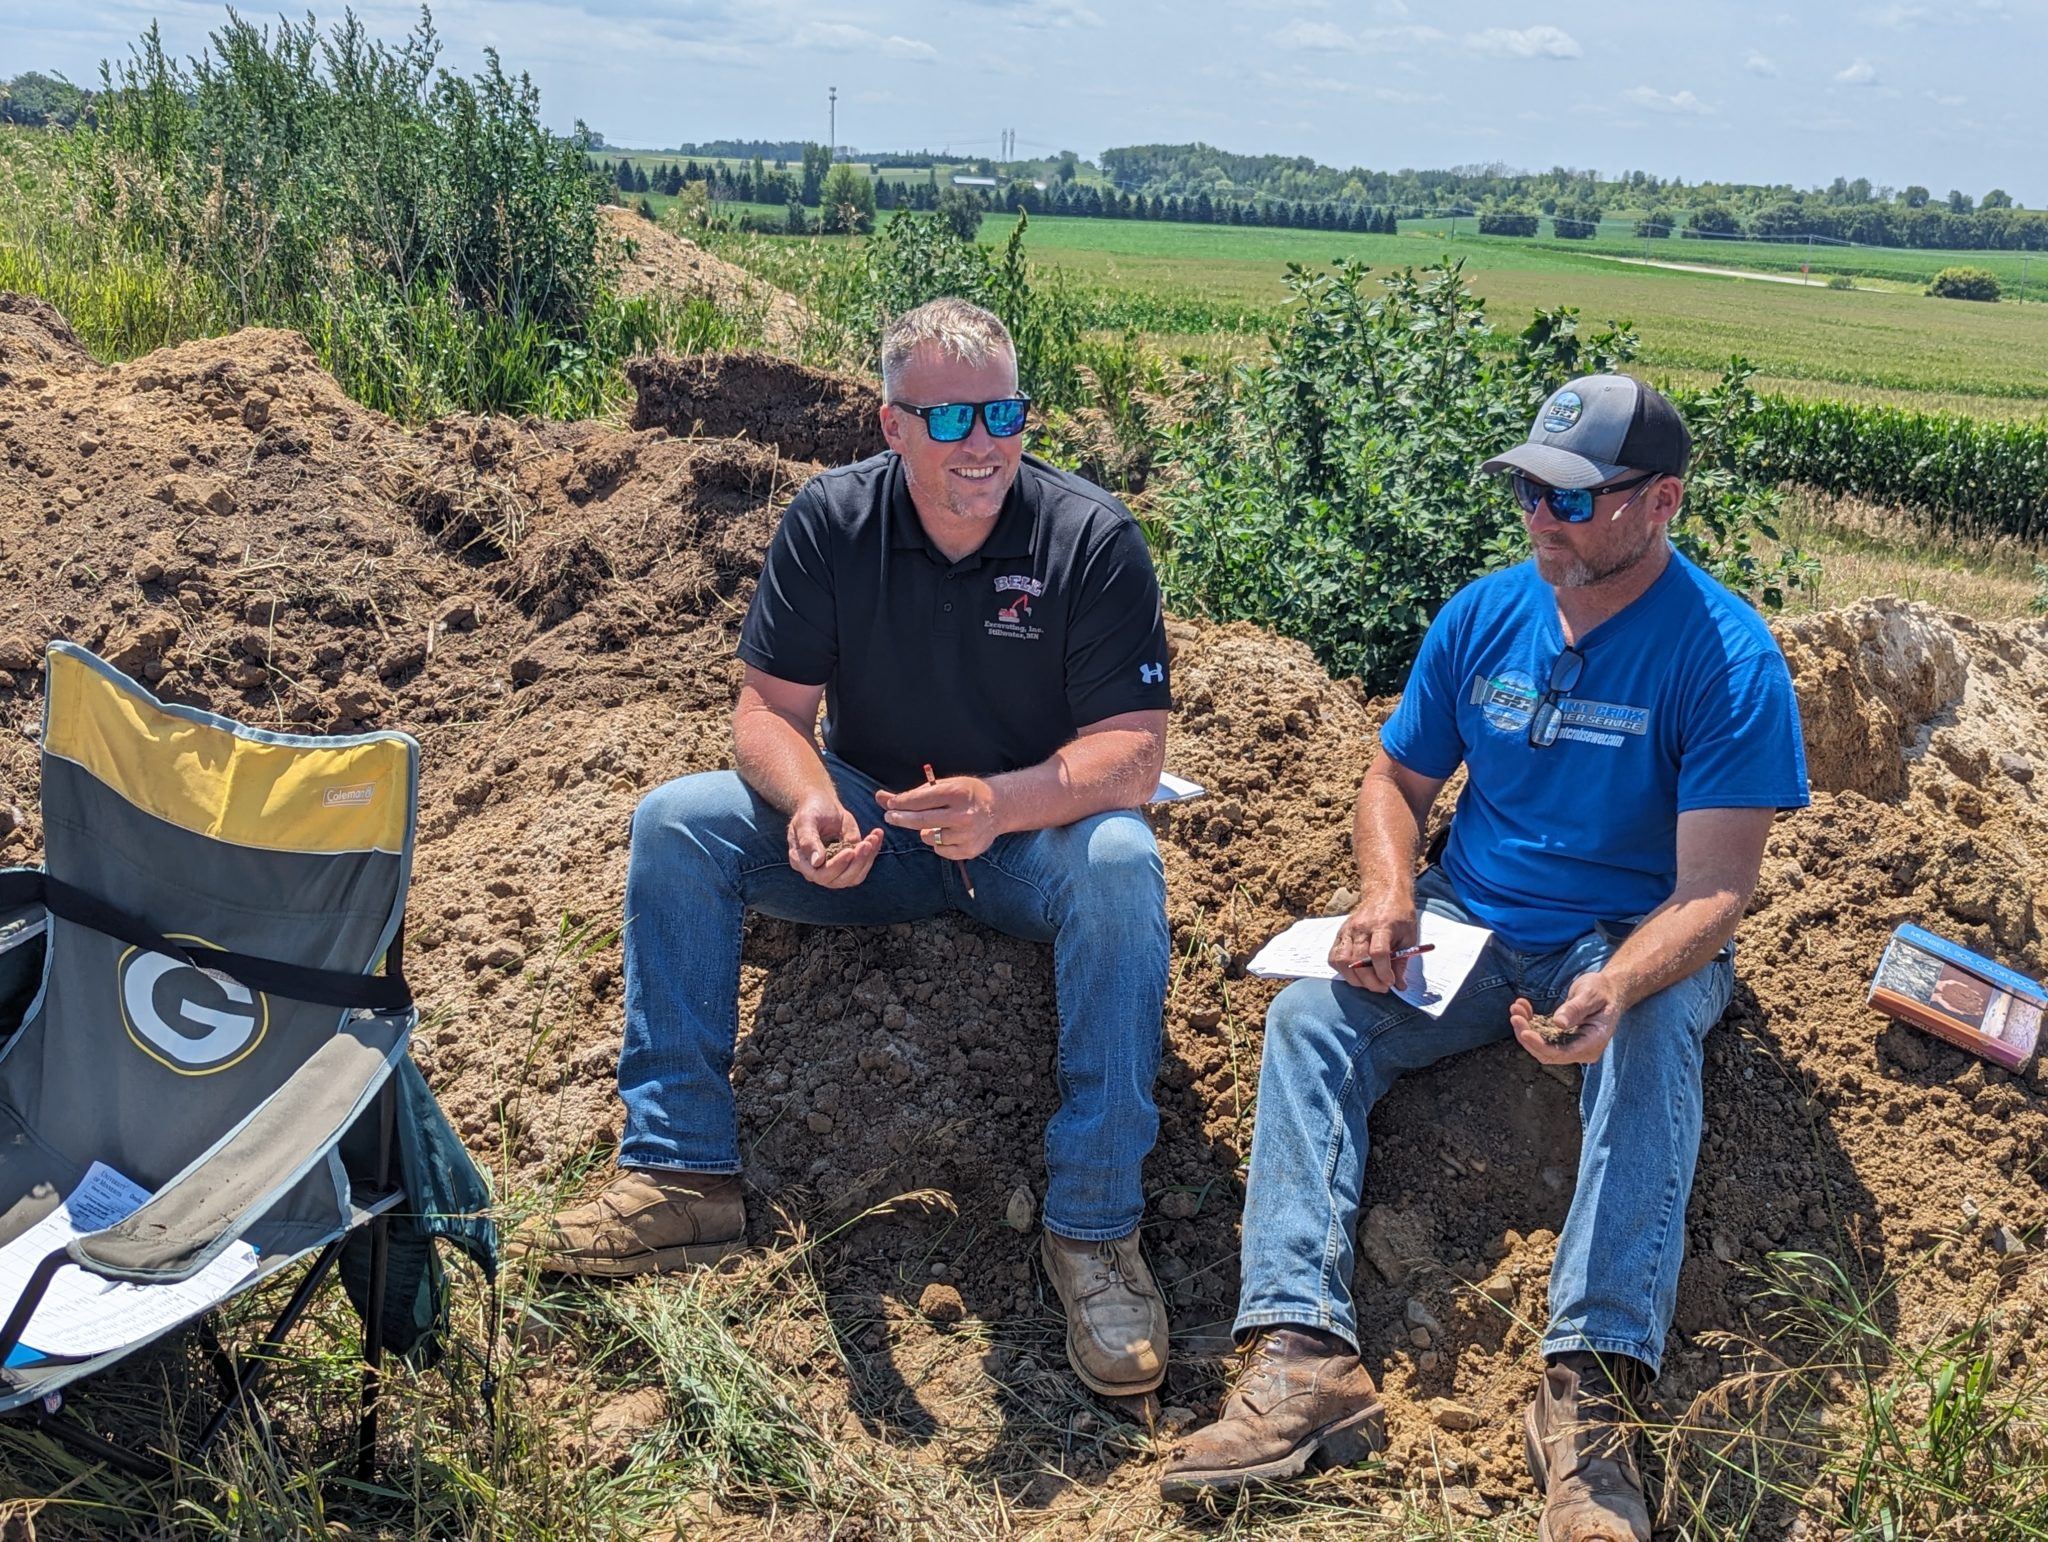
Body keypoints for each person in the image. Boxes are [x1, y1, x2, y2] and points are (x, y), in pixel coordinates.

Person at [1161, 375, 1809, 1538]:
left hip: (1626, 937)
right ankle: (1303, 1358)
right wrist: (1387, 892)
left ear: (1660, 501)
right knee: (1309, 1019)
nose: (1538, 518)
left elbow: (1715, 890)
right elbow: (1394, 780)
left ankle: (1589, 1398)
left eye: (1572, 499)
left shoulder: (1723, 657)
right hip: (1470, 919)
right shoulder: (1482, 616)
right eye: (1526, 492)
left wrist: (1615, 981)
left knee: (1650, 1033)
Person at [510, 298, 1176, 1400]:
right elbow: (765, 712)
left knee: (1120, 861)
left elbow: (1135, 755)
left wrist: (1001, 804)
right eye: (950, 418)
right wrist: (814, 800)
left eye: (1003, 412)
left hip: (1028, 836)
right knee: (675, 823)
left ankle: (1095, 1232)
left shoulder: (1088, 538)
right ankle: (682, 1174)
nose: (982, 442)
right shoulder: (832, 521)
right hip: (880, 823)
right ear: (891, 425)